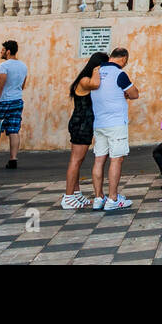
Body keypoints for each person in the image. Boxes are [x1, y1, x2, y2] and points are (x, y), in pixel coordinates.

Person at [90, 47, 138, 211]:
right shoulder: (120, 74)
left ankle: (98, 198)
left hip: (99, 123)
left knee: (99, 160)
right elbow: (134, 94)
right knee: (116, 159)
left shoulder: (97, 72)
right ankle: (113, 198)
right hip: (116, 123)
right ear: (124, 58)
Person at [62, 52, 106, 210]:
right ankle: (68, 197)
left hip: (83, 123)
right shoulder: (85, 80)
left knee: (78, 160)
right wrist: (98, 70)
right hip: (81, 123)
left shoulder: (85, 78)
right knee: (75, 160)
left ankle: (75, 192)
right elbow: (96, 84)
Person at [0, 40, 29, 168]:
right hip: (17, 99)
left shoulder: (4, 66)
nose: (0, 52)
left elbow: (0, 85)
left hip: (4, 100)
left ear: (7, 51)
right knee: (14, 129)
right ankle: (13, 158)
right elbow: (22, 85)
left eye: (2, 50)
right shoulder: (23, 66)